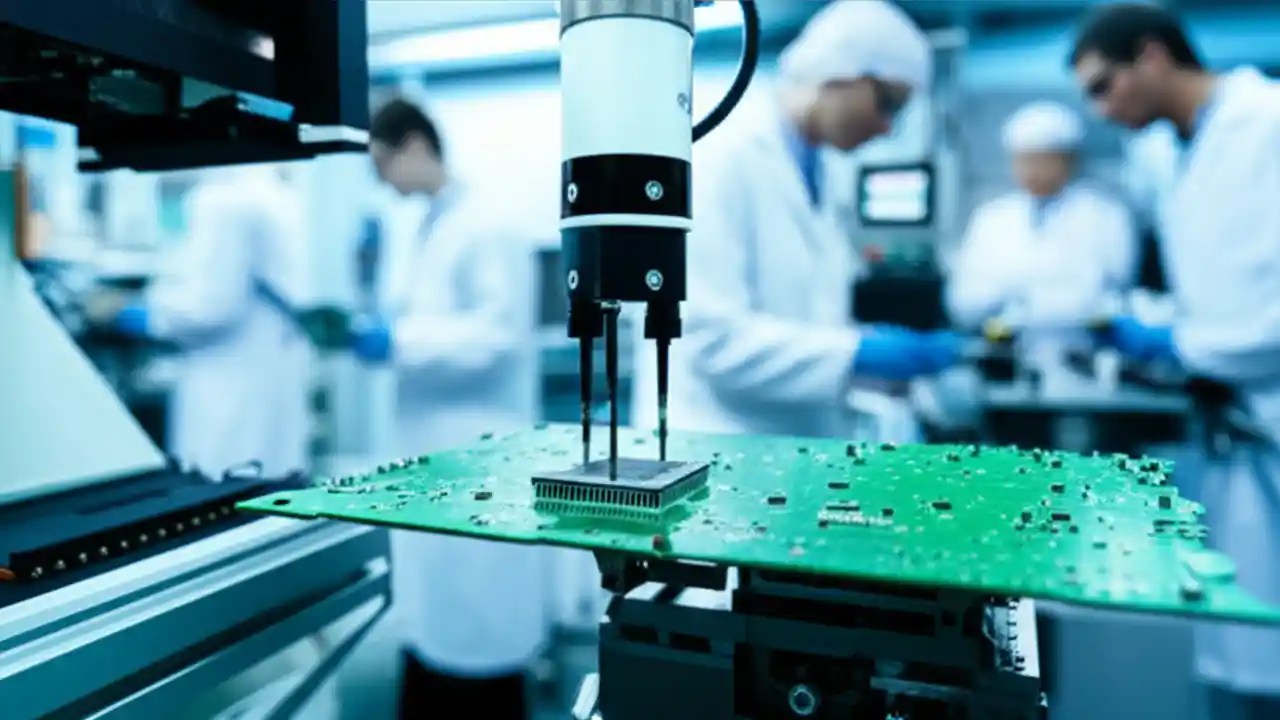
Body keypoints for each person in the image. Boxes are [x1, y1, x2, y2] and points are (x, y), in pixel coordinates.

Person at [1071, 5, 1280, 718]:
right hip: (1235, 419)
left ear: (1153, 57)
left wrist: (1179, 344)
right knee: (1244, 636)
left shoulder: (1270, 124)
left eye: (1104, 86)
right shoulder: (1175, 150)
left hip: (1265, 396)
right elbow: (1222, 282)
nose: (1100, 109)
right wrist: (1162, 327)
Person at [633, 0, 960, 439]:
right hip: (718, 445)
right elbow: (705, 338)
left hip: (794, 443)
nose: (886, 129)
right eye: (887, 104)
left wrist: (855, 342)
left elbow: (804, 314)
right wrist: (856, 352)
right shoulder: (720, 155)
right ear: (841, 71)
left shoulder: (824, 174)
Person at [352, 98, 545, 719]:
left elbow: (499, 334)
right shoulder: (430, 222)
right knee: (434, 610)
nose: (380, 179)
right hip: (436, 453)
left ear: (414, 145)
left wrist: (399, 340)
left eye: (383, 163)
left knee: (480, 618)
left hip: (481, 454)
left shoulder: (489, 222)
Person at [95, 164, 313, 479]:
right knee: (269, 487)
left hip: (231, 383)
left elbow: (209, 307)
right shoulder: (272, 193)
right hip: (266, 369)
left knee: (223, 487)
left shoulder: (223, 200)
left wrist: (131, 313)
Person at [947, 101, 1137, 385]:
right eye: (1021, 160)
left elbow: (1108, 299)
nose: (1030, 170)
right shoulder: (991, 218)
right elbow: (963, 302)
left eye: (1041, 159)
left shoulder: (1106, 216)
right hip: (1004, 363)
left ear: (1069, 160)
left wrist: (1021, 298)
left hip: (1087, 365)